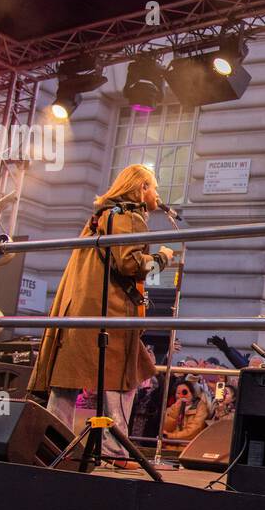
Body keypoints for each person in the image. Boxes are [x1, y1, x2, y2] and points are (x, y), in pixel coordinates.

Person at [27, 164, 175, 469]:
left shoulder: (101, 216)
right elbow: (129, 264)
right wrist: (163, 258)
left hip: (80, 309)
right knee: (125, 377)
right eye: (155, 187)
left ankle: (54, 446)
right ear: (142, 188)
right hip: (111, 313)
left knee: (66, 381)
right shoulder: (129, 216)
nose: (158, 195)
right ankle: (114, 451)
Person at [162, 378, 212, 443]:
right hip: (169, 446)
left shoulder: (200, 407)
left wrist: (170, 436)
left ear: (192, 393)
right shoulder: (171, 409)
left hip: (189, 446)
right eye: (178, 393)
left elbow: (194, 431)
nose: (181, 395)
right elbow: (166, 428)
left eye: (184, 392)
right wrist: (175, 409)